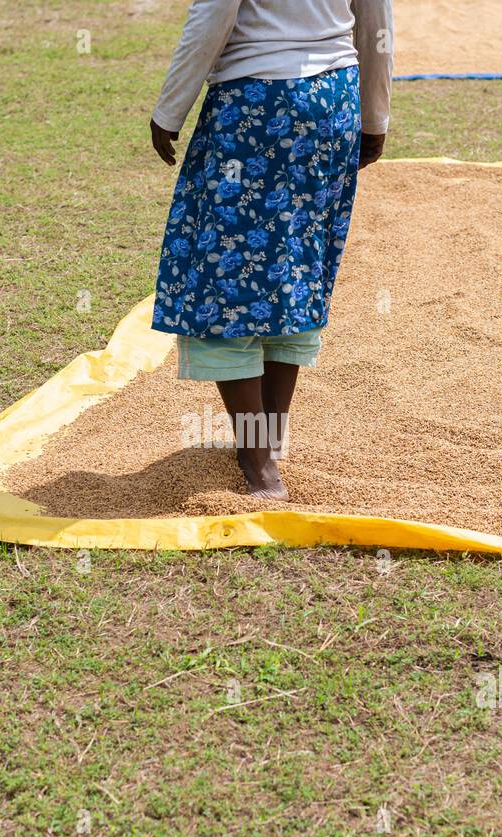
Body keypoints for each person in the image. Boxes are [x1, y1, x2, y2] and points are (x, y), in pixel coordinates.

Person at [149, 0, 393, 499]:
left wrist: (170, 108)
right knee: (295, 268)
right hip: (332, 103)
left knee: (229, 279)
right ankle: (268, 441)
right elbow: (376, 23)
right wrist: (374, 116)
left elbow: (212, 18)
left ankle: (258, 463)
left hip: (256, 108)